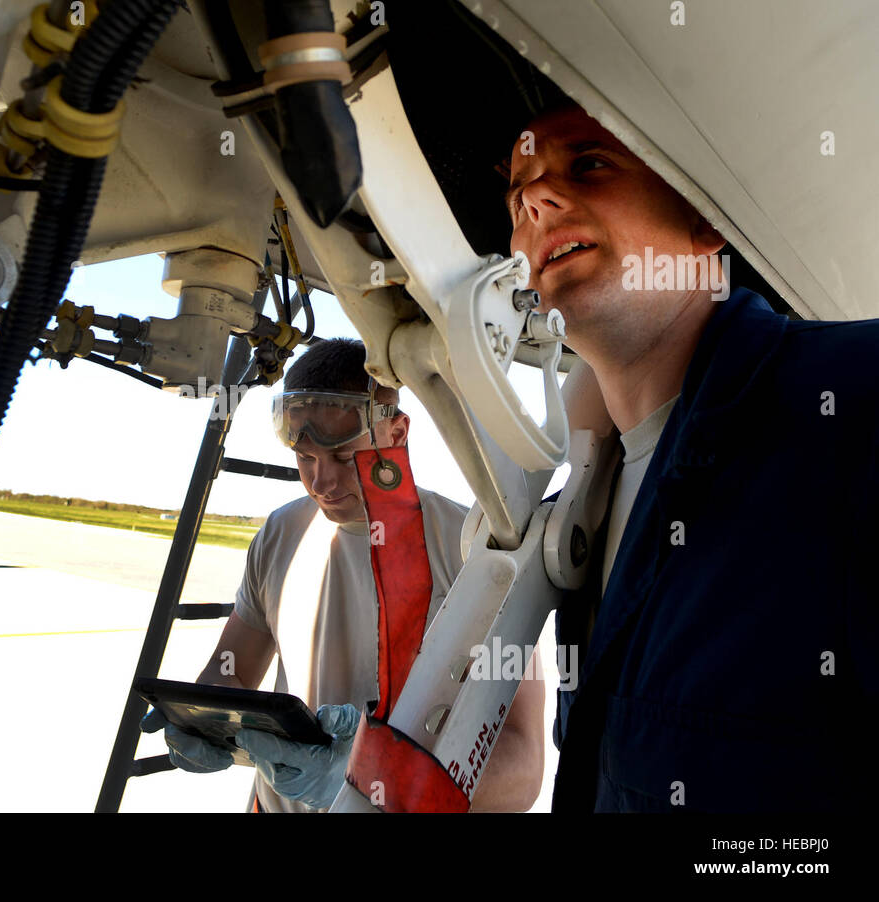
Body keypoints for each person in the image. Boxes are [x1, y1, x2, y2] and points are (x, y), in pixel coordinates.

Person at [502, 101, 879, 810]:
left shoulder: (859, 400)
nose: (532, 200)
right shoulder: (575, 519)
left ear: (706, 221)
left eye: (589, 163)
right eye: (516, 192)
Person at [142, 337, 546, 812]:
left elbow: (522, 767)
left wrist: (380, 781)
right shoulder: (280, 534)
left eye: (342, 456)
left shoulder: (476, 549)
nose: (321, 482)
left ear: (396, 433)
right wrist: (203, 719)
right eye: (305, 458)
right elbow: (232, 670)